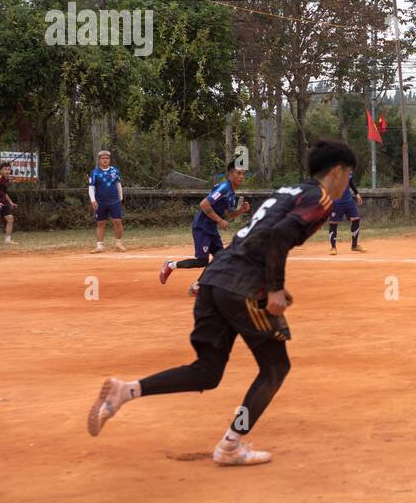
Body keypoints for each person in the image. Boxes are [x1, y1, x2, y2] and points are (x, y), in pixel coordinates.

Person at [86, 139, 357, 466]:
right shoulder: (322, 199)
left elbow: (260, 232)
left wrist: (270, 282)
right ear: (338, 171)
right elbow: (281, 235)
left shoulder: (290, 190)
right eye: (349, 175)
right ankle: (231, 443)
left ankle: (126, 391)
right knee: (275, 368)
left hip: (215, 278)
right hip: (243, 285)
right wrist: (273, 288)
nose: (348, 183)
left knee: (207, 371)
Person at [159, 160, 251, 295]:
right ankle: (170, 265)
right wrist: (220, 220)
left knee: (220, 258)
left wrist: (241, 211)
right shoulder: (224, 188)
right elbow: (204, 204)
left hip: (211, 228)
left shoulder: (231, 193)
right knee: (202, 261)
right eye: (238, 173)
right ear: (230, 173)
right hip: (202, 226)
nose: (241, 177)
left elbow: (227, 216)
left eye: (243, 174)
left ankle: (197, 287)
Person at [89, 150, 126, 252]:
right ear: (99, 160)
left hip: (114, 201)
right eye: (103, 158)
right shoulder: (95, 172)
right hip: (100, 202)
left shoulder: (115, 171)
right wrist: (93, 200)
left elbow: (118, 185)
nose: (105, 160)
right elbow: (91, 187)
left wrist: (121, 198)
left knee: (117, 221)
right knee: (100, 223)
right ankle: (99, 246)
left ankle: (118, 243)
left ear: (109, 160)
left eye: (107, 158)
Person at [327, 171, 363, 254]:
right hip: (336, 201)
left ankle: (354, 246)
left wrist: (357, 193)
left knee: (356, 219)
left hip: (348, 200)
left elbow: (350, 182)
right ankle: (333, 248)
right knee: (333, 223)